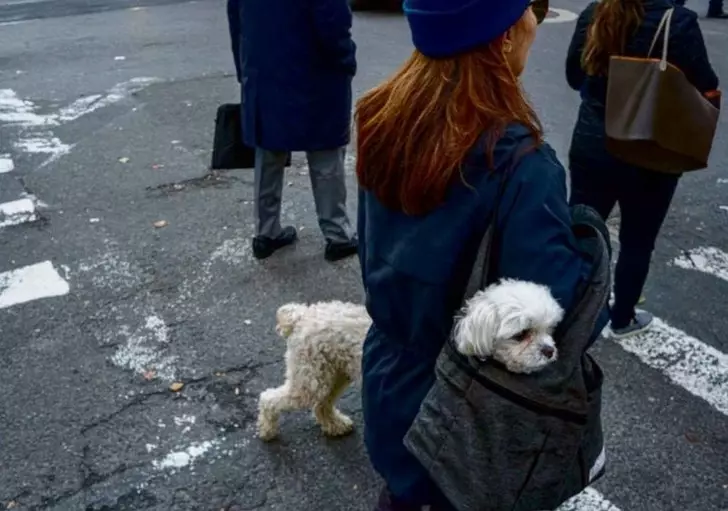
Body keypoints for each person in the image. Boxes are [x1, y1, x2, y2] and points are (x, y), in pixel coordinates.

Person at [355, 0, 609, 509]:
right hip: (469, 414)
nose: (538, 18)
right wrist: (591, 241)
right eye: (531, 7)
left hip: (389, 379)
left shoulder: (381, 116)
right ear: (504, 36)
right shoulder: (519, 163)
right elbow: (554, 312)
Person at [566, 0, 719, 337]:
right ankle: (622, 317)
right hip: (651, 149)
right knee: (638, 241)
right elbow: (706, 82)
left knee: (581, 232)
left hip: (593, 142)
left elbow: (573, 77)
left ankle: (570, 312)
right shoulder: (676, 22)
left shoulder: (595, 12)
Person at [227, 0, 359, 261]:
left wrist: (244, 69)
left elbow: (236, 19)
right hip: (315, 70)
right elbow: (332, 21)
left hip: (262, 70)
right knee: (325, 152)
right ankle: (338, 235)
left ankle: (266, 232)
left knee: (268, 150)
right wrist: (346, 59)